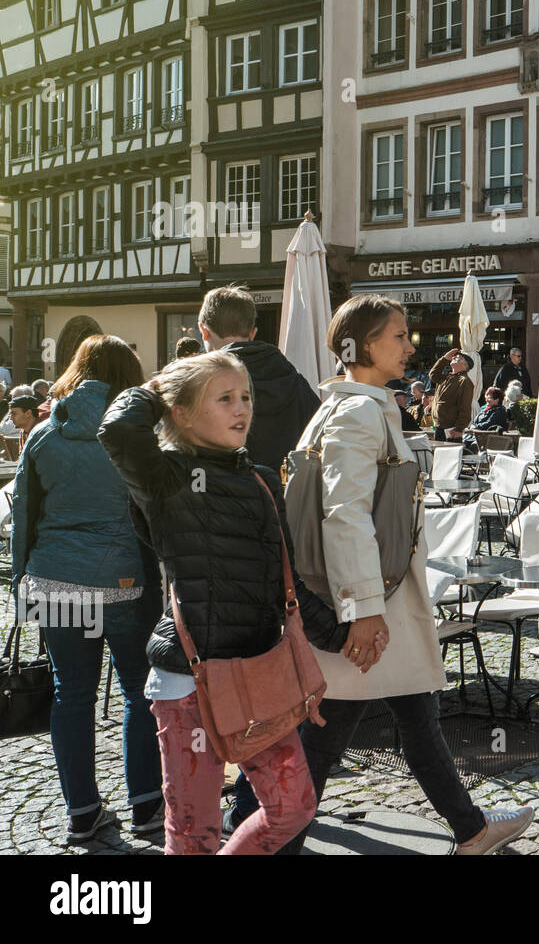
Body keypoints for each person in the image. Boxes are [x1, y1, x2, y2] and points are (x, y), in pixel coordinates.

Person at [282, 295, 535, 855]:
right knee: (334, 732)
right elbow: (342, 513)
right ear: (365, 345)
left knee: (403, 717)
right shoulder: (357, 412)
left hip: (377, 598)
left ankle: (469, 828)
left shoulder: (354, 408)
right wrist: (365, 608)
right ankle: (270, 834)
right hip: (375, 604)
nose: (409, 345)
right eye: (397, 335)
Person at [99, 351, 352, 855]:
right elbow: (118, 431)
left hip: (258, 678)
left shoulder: (259, 477)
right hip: (187, 683)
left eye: (246, 397)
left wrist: (344, 636)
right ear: (181, 414)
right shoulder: (166, 479)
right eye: (224, 399)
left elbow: (287, 583)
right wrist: (160, 389)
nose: (242, 409)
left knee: (294, 807)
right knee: (193, 833)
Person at [11, 336, 162, 844]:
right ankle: (146, 805)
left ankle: (82, 811)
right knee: (140, 691)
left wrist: (21, 581)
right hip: (122, 580)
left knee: (70, 693)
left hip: (55, 580)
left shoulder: (43, 435)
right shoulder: (135, 434)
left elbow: (24, 520)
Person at [199, 285, 324, 834]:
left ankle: (241, 801)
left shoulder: (207, 383)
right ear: (254, 329)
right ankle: (271, 792)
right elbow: (315, 456)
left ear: (207, 332)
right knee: (274, 663)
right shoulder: (296, 381)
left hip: (220, 545)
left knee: (224, 671)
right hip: (286, 541)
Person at [198, 285, 321, 474]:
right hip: (287, 496)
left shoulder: (202, 384)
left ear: (204, 331)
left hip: (226, 496)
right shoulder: (295, 381)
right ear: (253, 333)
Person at [429, 347, 476, 441]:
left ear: (465, 364)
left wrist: (459, 428)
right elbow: (433, 375)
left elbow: (465, 407)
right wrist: (444, 359)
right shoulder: (447, 377)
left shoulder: (464, 381)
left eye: (458, 357)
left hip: (451, 429)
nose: (454, 357)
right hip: (439, 426)